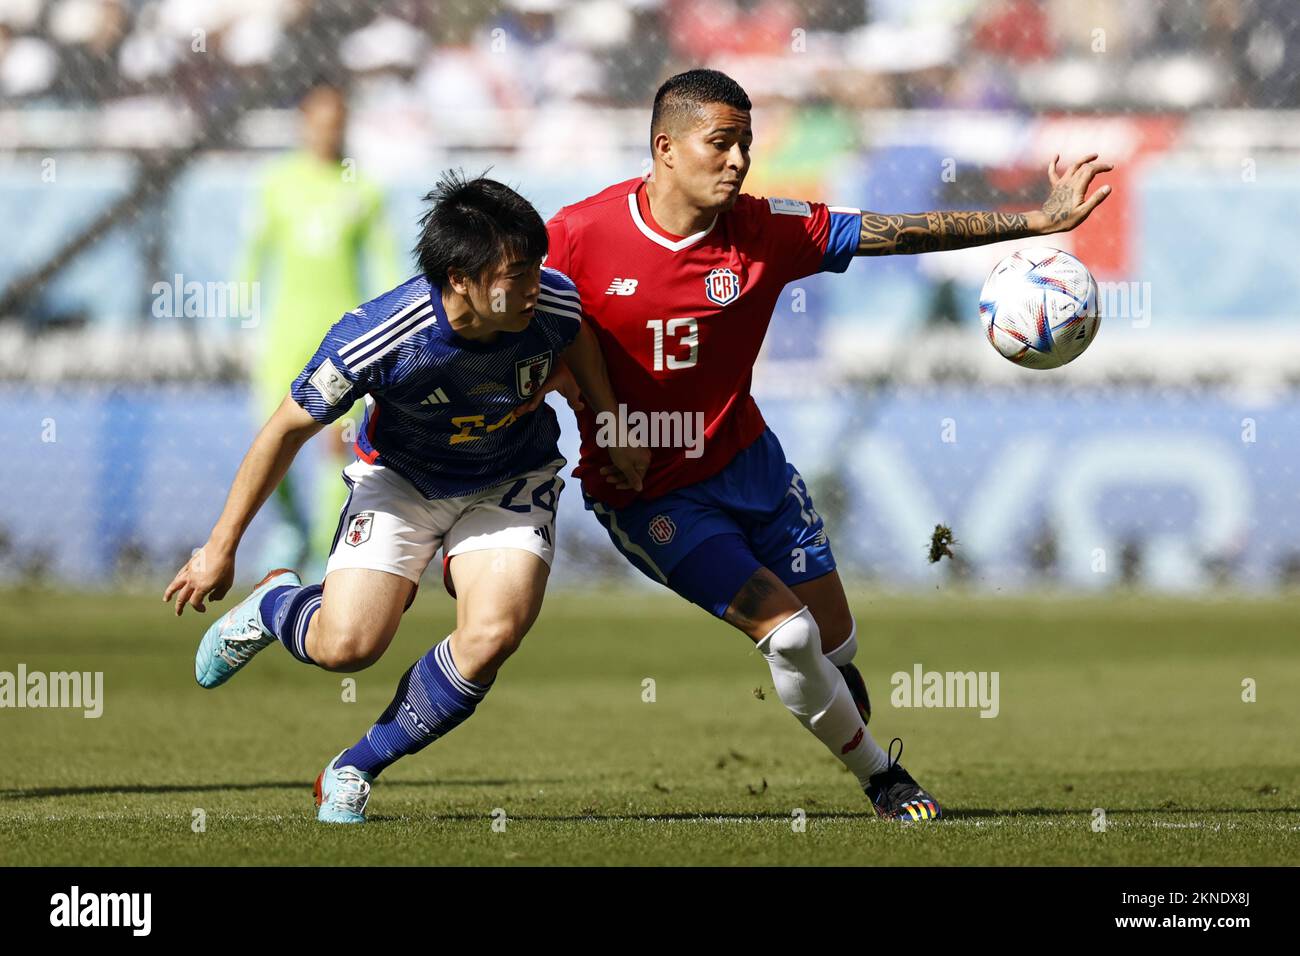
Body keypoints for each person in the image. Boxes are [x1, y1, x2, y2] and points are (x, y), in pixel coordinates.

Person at [535, 68, 1111, 821]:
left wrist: (1035, 222)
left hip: (754, 468)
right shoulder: (576, 236)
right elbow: (527, 350)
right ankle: (883, 777)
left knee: (834, 644)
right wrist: (597, 421)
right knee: (792, 636)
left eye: (746, 142)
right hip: (651, 497)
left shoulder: (769, 230)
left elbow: (895, 231)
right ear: (664, 147)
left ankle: (836, 704)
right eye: (722, 143)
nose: (740, 160)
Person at [165, 172, 647, 824]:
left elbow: (579, 340)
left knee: (492, 634)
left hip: (509, 481)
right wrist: (218, 549)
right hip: (400, 483)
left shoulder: (552, 306)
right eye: (516, 273)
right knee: (348, 647)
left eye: (538, 265)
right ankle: (275, 602)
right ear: (459, 278)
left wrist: (610, 422)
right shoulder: (378, 336)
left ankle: (356, 766)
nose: (537, 284)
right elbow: (284, 430)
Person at [239, 82, 398, 575]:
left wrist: (390, 332)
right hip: (286, 331)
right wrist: (242, 320)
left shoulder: (364, 188)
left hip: (341, 332)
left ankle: (321, 553)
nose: (329, 131)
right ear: (304, 122)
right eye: (321, 121)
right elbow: (252, 255)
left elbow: (386, 265)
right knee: (268, 430)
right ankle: (291, 524)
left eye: (338, 121)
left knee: (337, 440)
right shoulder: (277, 182)